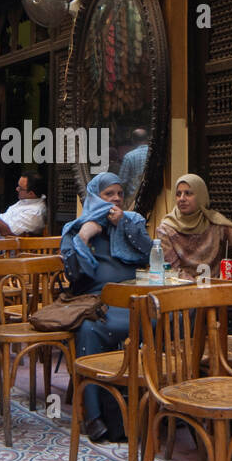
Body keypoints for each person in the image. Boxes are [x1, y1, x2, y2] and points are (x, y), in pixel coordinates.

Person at [64, 172, 152, 442]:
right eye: (108, 194)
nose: (115, 199)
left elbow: (150, 253)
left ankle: (157, 406)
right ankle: (94, 416)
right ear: (94, 197)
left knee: (164, 320)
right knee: (89, 329)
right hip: (96, 305)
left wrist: (124, 224)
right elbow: (75, 273)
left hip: (134, 301)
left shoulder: (133, 221)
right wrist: (84, 237)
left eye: (119, 194)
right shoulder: (75, 228)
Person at [156, 173, 232, 279]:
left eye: (188, 193)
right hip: (182, 289)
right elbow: (172, 269)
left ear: (201, 196)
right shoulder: (167, 228)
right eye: (178, 194)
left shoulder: (215, 223)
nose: (182, 198)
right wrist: (196, 287)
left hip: (215, 289)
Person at [0, 172, 48, 236]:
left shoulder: (34, 212)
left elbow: (6, 231)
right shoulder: (27, 200)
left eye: (20, 188)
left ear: (31, 194)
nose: (17, 189)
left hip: (4, 242)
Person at [117, 129, 150, 208]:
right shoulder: (153, 154)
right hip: (153, 198)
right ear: (148, 138)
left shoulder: (129, 157)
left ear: (133, 140)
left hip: (133, 200)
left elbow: (122, 182)